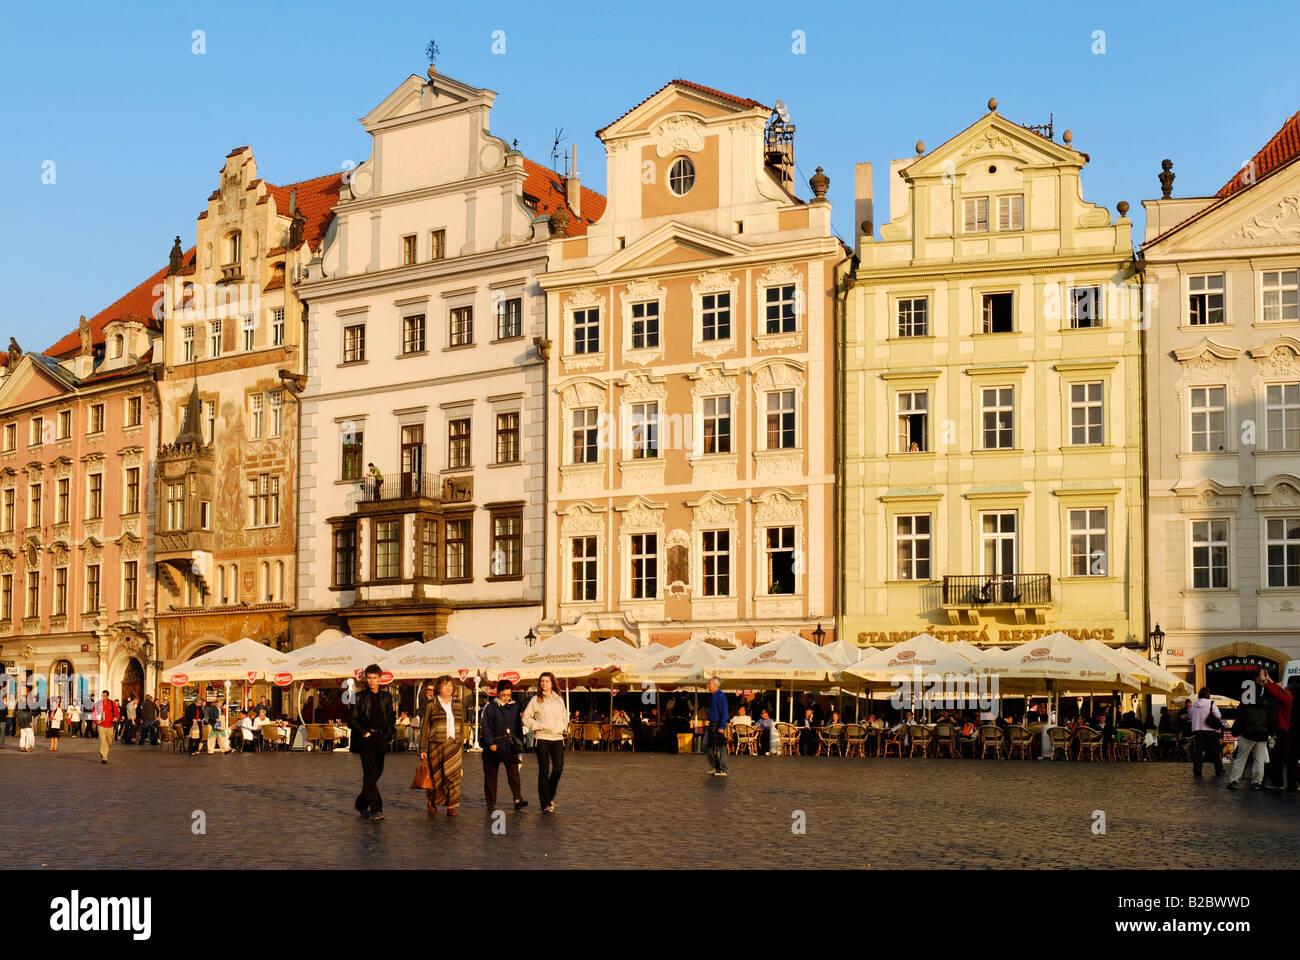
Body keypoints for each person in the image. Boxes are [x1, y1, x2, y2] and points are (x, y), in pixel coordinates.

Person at [348, 665, 396, 820]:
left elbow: (390, 717)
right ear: (365, 678)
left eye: (374, 678)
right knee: (370, 773)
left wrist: (388, 734)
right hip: (366, 739)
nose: (372, 681)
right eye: (369, 678)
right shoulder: (358, 697)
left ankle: (361, 803)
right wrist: (364, 732)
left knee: (377, 772)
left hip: (381, 737)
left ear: (380, 678)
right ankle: (376, 808)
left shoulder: (386, 697)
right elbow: (352, 720)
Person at [419, 675, 466, 817]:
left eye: (451, 686)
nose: (449, 688)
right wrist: (422, 748)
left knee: (454, 776)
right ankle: (431, 801)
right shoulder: (431, 705)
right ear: (439, 687)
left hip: (454, 745)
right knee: (436, 776)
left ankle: (452, 805)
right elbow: (425, 726)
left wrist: (461, 742)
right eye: (445, 685)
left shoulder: (458, 704)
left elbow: (461, 725)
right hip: (436, 745)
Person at [521, 671, 567, 813]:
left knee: (558, 768)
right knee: (544, 770)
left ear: (552, 683)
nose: (543, 683)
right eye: (541, 681)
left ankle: (550, 793)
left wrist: (563, 728)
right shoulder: (536, 699)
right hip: (542, 738)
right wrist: (537, 726)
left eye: (546, 681)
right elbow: (526, 717)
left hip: (557, 737)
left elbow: (564, 716)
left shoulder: (559, 699)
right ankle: (545, 803)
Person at [481, 679, 528, 809]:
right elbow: (486, 726)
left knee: (514, 774)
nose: (506, 698)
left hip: (509, 745)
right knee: (491, 775)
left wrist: (520, 744)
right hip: (494, 745)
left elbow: (518, 727)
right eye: (504, 695)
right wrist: (490, 742)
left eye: (508, 695)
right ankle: (491, 803)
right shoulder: (490, 707)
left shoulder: (514, 707)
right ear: (498, 694)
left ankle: (518, 799)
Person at [1227, 680, 1270, 791]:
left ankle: (1234, 781)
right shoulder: (1266, 702)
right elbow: (1270, 719)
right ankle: (1256, 782)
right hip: (1262, 735)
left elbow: (1240, 718)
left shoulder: (1246, 702)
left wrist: (1236, 731)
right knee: (1259, 760)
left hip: (1247, 735)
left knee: (1241, 758)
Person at [1188, 687, 1224, 777]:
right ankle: (1218, 769)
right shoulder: (1211, 703)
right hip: (1210, 731)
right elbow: (1218, 715)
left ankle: (1197, 771)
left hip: (1198, 731)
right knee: (1214, 751)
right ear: (1208, 694)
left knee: (1198, 752)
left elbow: (1191, 717)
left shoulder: (1194, 705)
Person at [705, 676, 729, 776]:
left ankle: (723, 769)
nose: (707, 685)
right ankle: (716, 766)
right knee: (705, 745)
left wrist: (722, 727)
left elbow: (724, 712)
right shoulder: (713, 696)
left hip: (718, 724)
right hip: (711, 724)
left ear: (715, 685)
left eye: (709, 683)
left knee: (721, 746)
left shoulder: (720, 696)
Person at [94, 689, 118, 764]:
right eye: (102, 695)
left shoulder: (112, 703)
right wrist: (96, 720)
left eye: (104, 695)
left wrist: (116, 718)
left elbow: (117, 712)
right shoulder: (98, 703)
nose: (103, 697)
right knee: (103, 740)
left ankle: (104, 752)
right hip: (101, 725)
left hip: (110, 725)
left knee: (109, 742)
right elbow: (94, 713)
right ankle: (104, 757)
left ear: (108, 696)